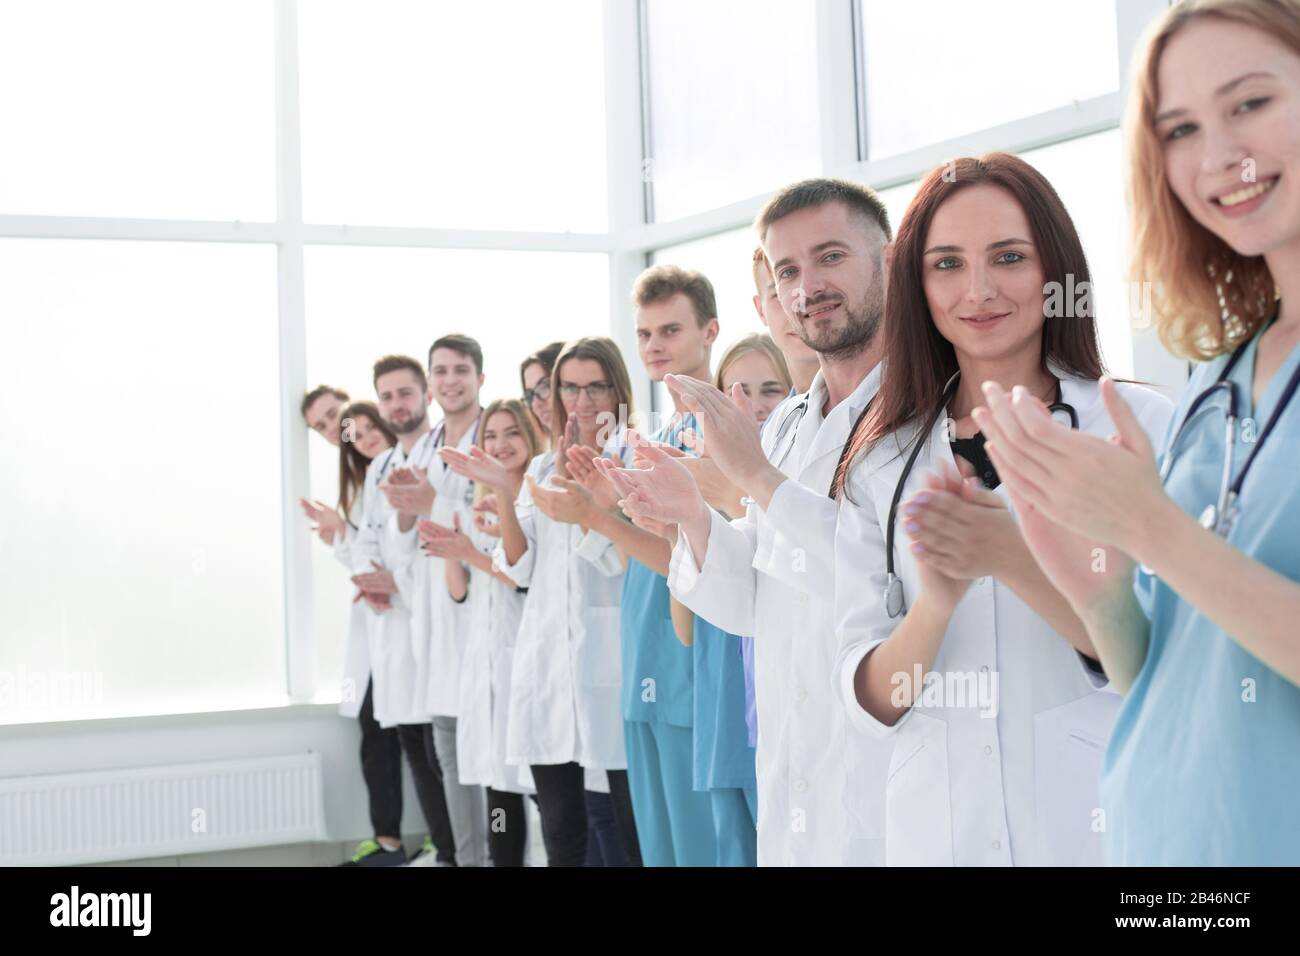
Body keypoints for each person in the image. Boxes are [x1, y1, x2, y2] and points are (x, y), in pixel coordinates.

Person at [979, 0, 1300, 865]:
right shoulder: (1221, 379)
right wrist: (1092, 575)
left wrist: (1150, 524)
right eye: (1181, 128)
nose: (1218, 154)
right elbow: (1160, 673)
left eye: (1250, 103)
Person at [831, 153, 1173, 865]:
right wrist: (936, 605)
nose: (978, 290)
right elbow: (871, 700)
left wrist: (1013, 561)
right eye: (947, 264)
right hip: (939, 831)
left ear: (1057, 274)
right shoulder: (881, 464)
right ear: (916, 284)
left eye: (1009, 257)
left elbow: (1162, 660)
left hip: (1094, 822)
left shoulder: (1139, 425)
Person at [604, 178, 893, 865]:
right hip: (793, 770)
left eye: (830, 257)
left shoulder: (924, 418)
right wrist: (692, 517)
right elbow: (753, 602)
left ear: (888, 260)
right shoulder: (793, 425)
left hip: (882, 778)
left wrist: (754, 480)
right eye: (787, 270)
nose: (807, 286)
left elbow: (883, 588)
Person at [450, 337, 639, 865]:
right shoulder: (537, 469)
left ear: (617, 389)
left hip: (609, 668)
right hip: (547, 670)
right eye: (569, 388)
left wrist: (591, 508)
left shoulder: (632, 458)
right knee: (560, 830)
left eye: (594, 386)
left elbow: (623, 561)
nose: (581, 401)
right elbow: (520, 565)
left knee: (620, 828)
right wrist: (505, 494)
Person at [671, 334, 792, 866]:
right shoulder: (696, 474)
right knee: (735, 849)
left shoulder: (802, 475)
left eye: (772, 389)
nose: (755, 404)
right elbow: (688, 626)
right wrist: (684, 519)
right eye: (737, 390)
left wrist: (732, 497)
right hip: (726, 703)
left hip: (786, 698)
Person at [346, 356, 458, 866]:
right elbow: (369, 536)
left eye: (406, 393)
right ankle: (445, 848)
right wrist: (372, 578)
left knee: (441, 754)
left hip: (431, 621)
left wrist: (398, 580)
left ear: (426, 396)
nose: (398, 404)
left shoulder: (447, 457)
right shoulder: (381, 468)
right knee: (414, 747)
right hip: (393, 625)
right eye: (387, 395)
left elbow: (443, 543)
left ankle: (457, 850)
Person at [384, 335, 490, 867]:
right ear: (432, 384)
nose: (450, 380)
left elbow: (496, 528)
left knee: (486, 767)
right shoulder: (422, 451)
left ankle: (486, 858)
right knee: (449, 760)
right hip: (437, 627)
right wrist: (407, 512)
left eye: (461, 370)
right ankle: (463, 860)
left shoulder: (493, 440)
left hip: (480, 621)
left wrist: (433, 502)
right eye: (441, 371)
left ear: (479, 380)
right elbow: (401, 548)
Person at [421, 399, 541, 866]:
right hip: (487, 663)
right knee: (500, 795)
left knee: (539, 789)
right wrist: (453, 549)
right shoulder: (480, 501)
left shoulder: (535, 495)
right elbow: (460, 593)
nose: (500, 445)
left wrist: (470, 553)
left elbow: (523, 577)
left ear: (531, 437)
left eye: (512, 433)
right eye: (490, 436)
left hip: (525, 661)